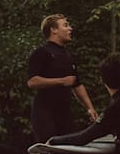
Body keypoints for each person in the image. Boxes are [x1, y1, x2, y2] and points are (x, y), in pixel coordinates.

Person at [27, 14, 97, 143]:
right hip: (44, 112)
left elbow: (77, 84)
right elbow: (32, 81)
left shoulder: (68, 56)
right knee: (50, 150)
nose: (70, 29)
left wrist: (90, 108)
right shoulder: (41, 53)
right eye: (65, 25)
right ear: (54, 30)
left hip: (64, 112)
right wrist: (61, 81)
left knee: (68, 150)